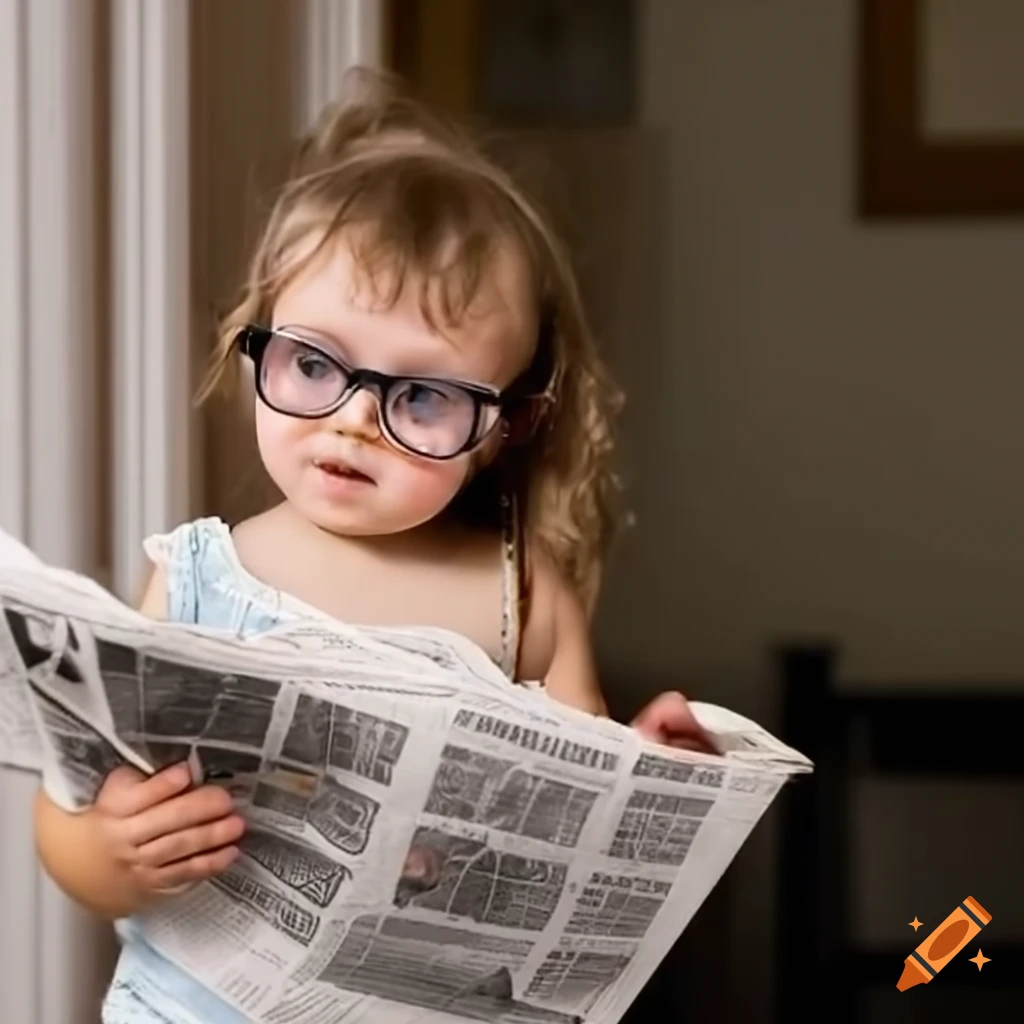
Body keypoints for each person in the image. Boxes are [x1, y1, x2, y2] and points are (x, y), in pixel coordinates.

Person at [33, 70, 713, 1024]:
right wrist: (110, 852)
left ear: (503, 428)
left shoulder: (524, 593)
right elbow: (68, 816)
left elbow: (580, 818)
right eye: (315, 363)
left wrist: (655, 771)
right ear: (257, 342)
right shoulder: (198, 576)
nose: (354, 421)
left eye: (422, 395)